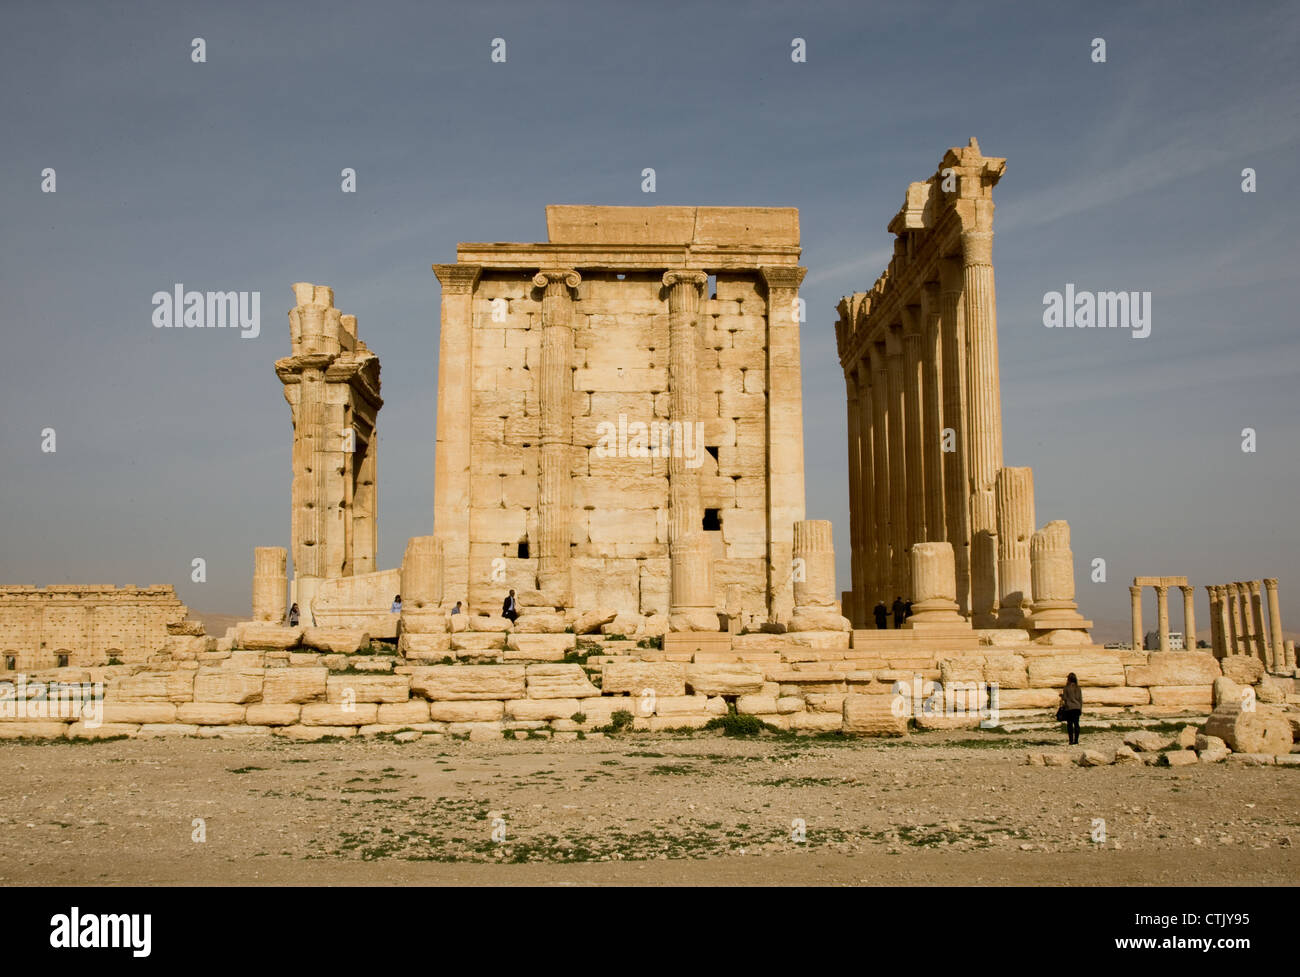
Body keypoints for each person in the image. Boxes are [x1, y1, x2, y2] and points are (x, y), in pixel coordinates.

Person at [1059, 671, 1083, 745]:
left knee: (1070, 724)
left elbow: (1065, 698)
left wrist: (1061, 696)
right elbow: (1080, 699)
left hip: (1069, 708)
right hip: (1077, 707)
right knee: (1076, 724)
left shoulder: (1066, 688)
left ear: (1068, 679)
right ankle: (1076, 740)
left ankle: (1071, 741)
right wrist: (1080, 709)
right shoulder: (1078, 688)